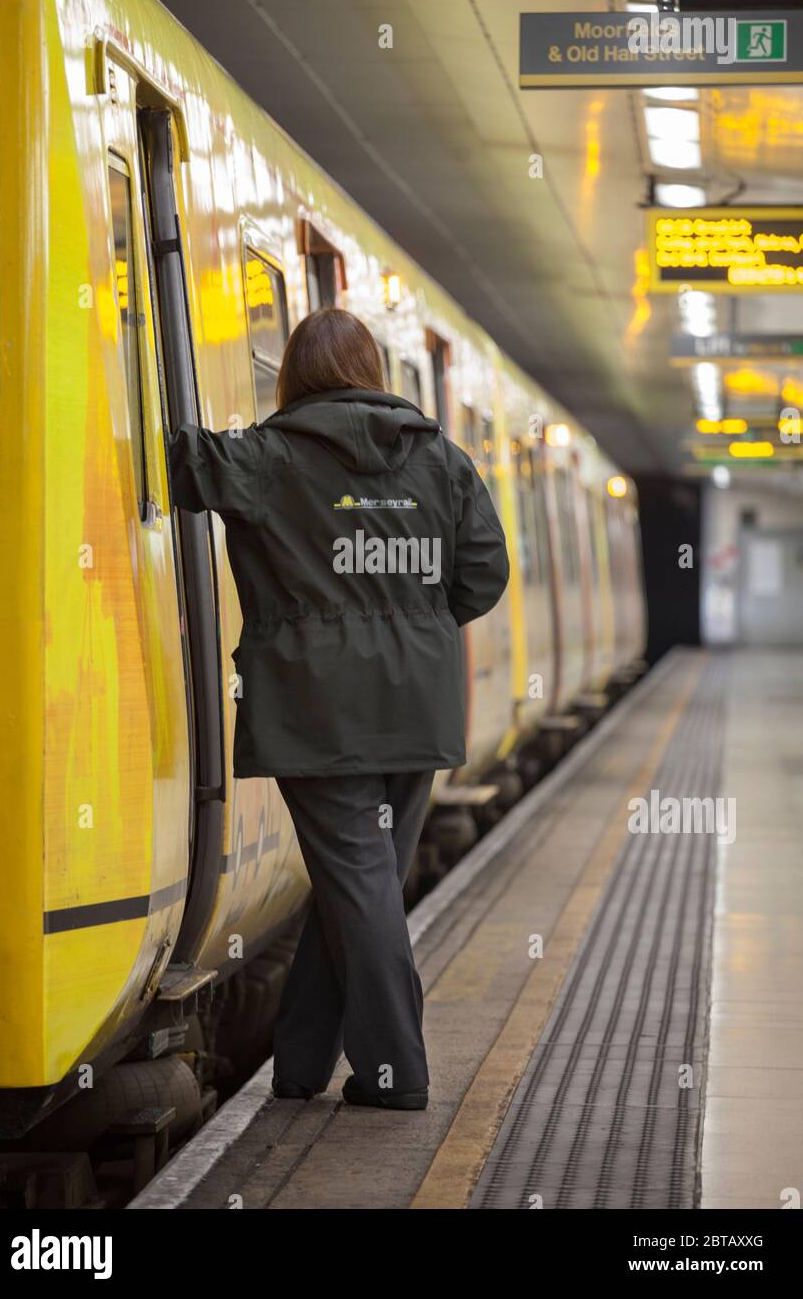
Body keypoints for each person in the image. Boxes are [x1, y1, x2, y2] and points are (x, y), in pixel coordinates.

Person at [168, 308, 509, 1110]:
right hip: (417, 708)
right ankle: (300, 1065)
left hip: (320, 712)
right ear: (372, 374)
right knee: (360, 880)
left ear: (292, 377)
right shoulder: (442, 460)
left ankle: (396, 1072)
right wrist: (413, 627)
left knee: (360, 881)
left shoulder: (269, 458)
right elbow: (484, 574)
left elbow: (182, 463)